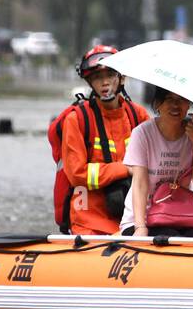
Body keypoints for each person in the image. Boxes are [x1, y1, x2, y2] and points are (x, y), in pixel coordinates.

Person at [51, 46, 149, 235]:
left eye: (110, 75)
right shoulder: (77, 120)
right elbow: (77, 174)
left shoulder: (138, 115)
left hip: (132, 218)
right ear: (89, 82)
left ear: (122, 77)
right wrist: (126, 168)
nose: (104, 82)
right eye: (97, 77)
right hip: (89, 222)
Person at [124, 87, 193, 237]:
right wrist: (140, 227)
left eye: (181, 100)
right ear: (158, 104)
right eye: (169, 99)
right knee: (169, 235)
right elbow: (140, 183)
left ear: (188, 105)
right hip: (142, 217)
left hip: (179, 216)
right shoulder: (142, 133)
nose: (175, 106)